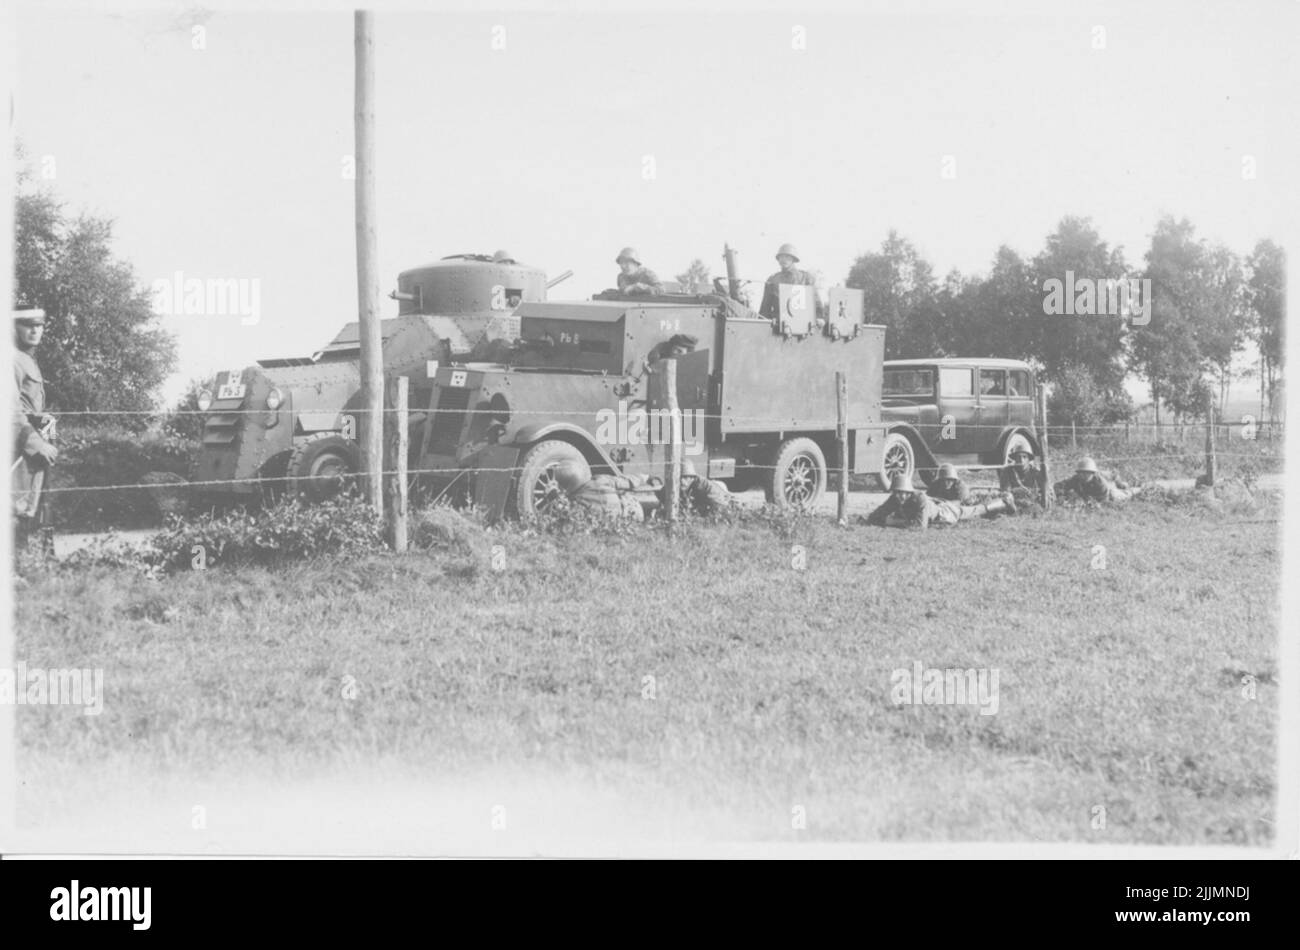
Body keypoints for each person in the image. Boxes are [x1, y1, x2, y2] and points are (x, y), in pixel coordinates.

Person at [12, 307, 57, 549]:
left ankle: (29, 565)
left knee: (30, 506)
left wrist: (50, 435)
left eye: (38, 325)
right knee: (15, 508)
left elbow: (35, 409)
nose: (34, 330)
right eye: (27, 324)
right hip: (18, 446)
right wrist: (37, 444)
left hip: (32, 443)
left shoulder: (27, 359)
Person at [865, 472, 1015, 529]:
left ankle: (1002, 502)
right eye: (898, 493)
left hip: (945, 514)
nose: (901, 497)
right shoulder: (896, 498)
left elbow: (919, 526)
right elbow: (875, 516)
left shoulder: (919, 499)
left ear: (910, 492)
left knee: (973, 511)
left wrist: (892, 522)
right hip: (936, 504)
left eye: (904, 493)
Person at [553, 458, 651, 521]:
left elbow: (562, 516)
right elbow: (627, 482)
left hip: (616, 523)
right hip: (633, 513)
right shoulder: (600, 480)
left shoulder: (575, 503)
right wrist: (644, 477)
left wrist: (551, 497)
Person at [759, 243, 821, 321]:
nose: (783, 260)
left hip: (802, 323)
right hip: (778, 324)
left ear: (793, 259)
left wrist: (819, 318)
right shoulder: (772, 280)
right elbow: (765, 308)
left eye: (787, 257)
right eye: (781, 257)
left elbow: (816, 303)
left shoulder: (805, 278)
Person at [1054, 457, 1139, 503]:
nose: (1083, 475)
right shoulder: (1076, 479)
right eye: (1081, 472)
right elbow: (1059, 485)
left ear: (1093, 473)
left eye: (1087, 473)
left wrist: (1082, 499)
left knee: (1119, 495)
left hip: (1109, 490)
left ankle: (1137, 489)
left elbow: (1102, 500)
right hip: (1107, 479)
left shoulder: (1100, 483)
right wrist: (1061, 495)